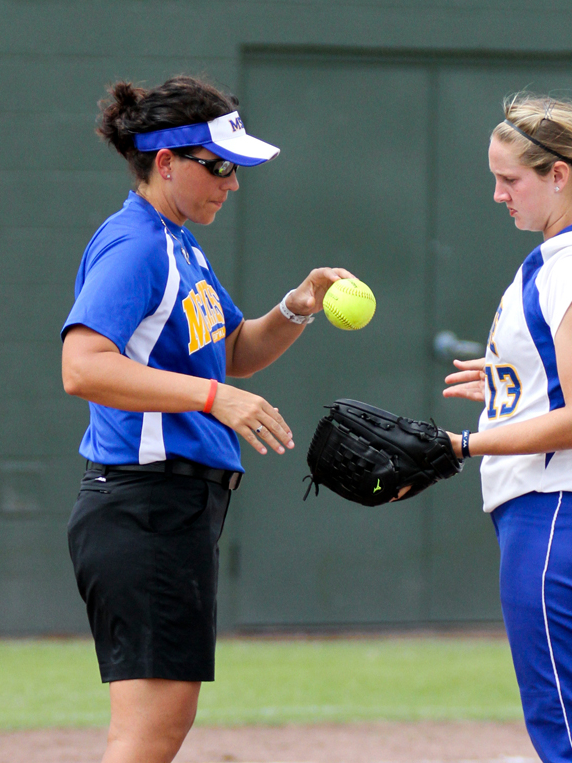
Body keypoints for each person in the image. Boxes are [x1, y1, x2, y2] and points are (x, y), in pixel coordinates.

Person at [60, 75, 352, 763]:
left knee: (162, 723)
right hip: (145, 503)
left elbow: (232, 353)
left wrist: (298, 305)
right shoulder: (137, 244)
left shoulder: (181, 245)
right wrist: (212, 399)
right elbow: (82, 366)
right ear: (167, 163)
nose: (234, 182)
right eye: (219, 166)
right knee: (149, 730)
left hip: (170, 507)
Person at [442, 94, 572, 763]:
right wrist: (517, 378)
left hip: (565, 508)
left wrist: (465, 442)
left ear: (558, 176)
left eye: (511, 179)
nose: (499, 193)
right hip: (566, 510)